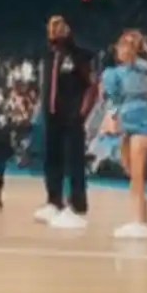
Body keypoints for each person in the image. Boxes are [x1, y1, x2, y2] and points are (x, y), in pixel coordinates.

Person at [35, 15, 98, 230]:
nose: (55, 29)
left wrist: (81, 113)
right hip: (50, 116)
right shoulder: (47, 56)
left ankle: (78, 206)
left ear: (69, 28)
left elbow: (91, 86)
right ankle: (54, 201)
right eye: (52, 26)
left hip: (72, 117)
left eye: (60, 25)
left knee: (74, 161)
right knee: (51, 160)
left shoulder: (81, 56)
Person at [99, 30, 147, 239]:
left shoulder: (139, 70)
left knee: (137, 175)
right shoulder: (127, 71)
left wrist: (110, 118)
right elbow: (114, 99)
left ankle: (138, 222)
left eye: (125, 46)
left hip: (142, 122)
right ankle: (141, 220)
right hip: (131, 123)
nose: (120, 50)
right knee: (132, 171)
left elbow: (114, 99)